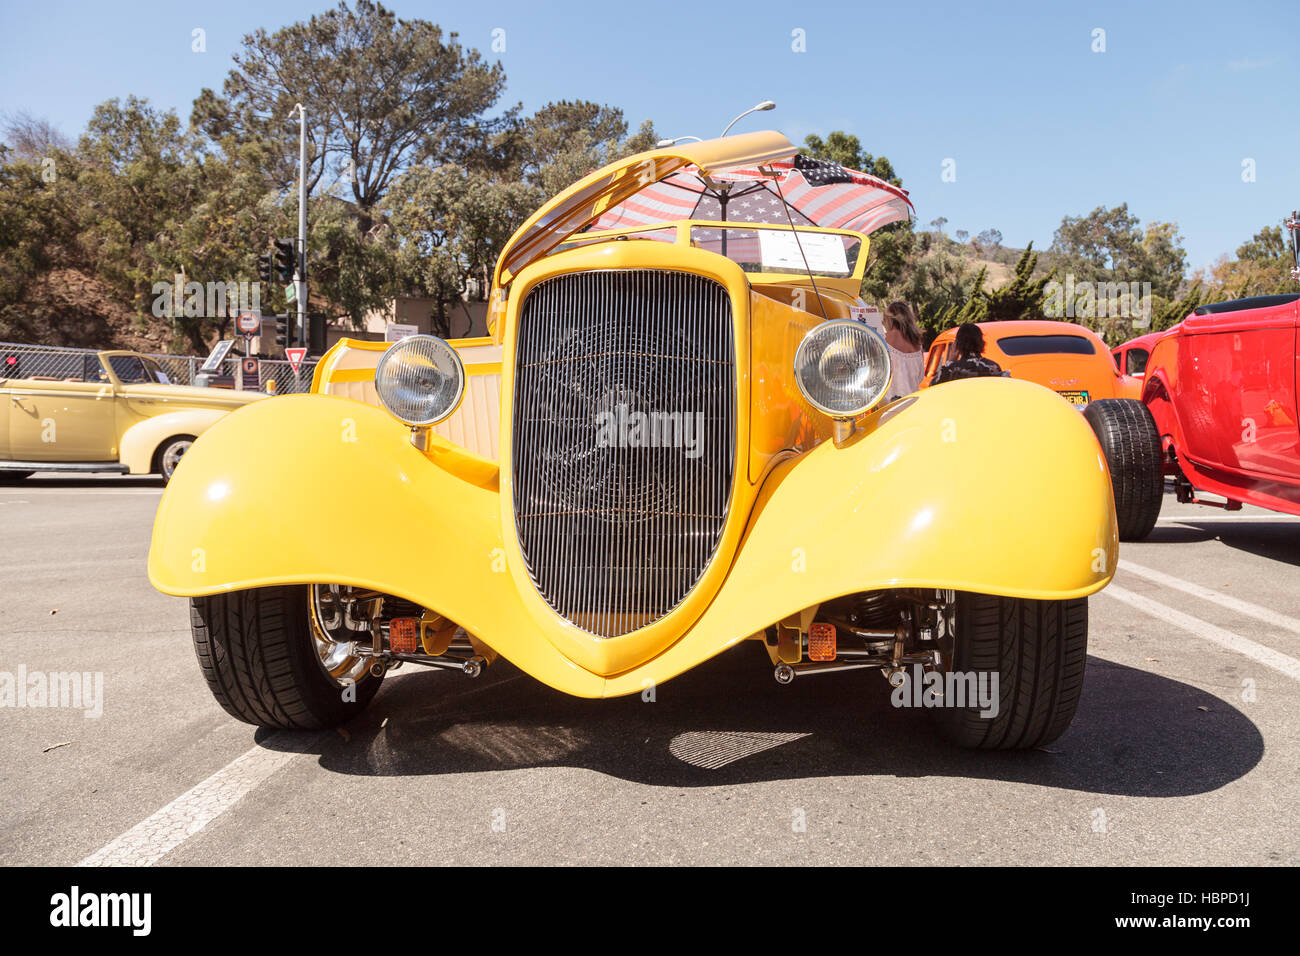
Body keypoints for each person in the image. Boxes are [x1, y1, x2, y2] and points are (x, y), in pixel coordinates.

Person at [881, 301, 925, 401]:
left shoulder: (883, 340)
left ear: (889, 320)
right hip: (911, 403)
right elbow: (920, 377)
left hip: (888, 405)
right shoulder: (917, 344)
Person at [933, 323, 1004, 383]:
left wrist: (950, 361)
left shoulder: (951, 369)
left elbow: (934, 385)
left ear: (957, 345)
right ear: (981, 342)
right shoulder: (993, 367)